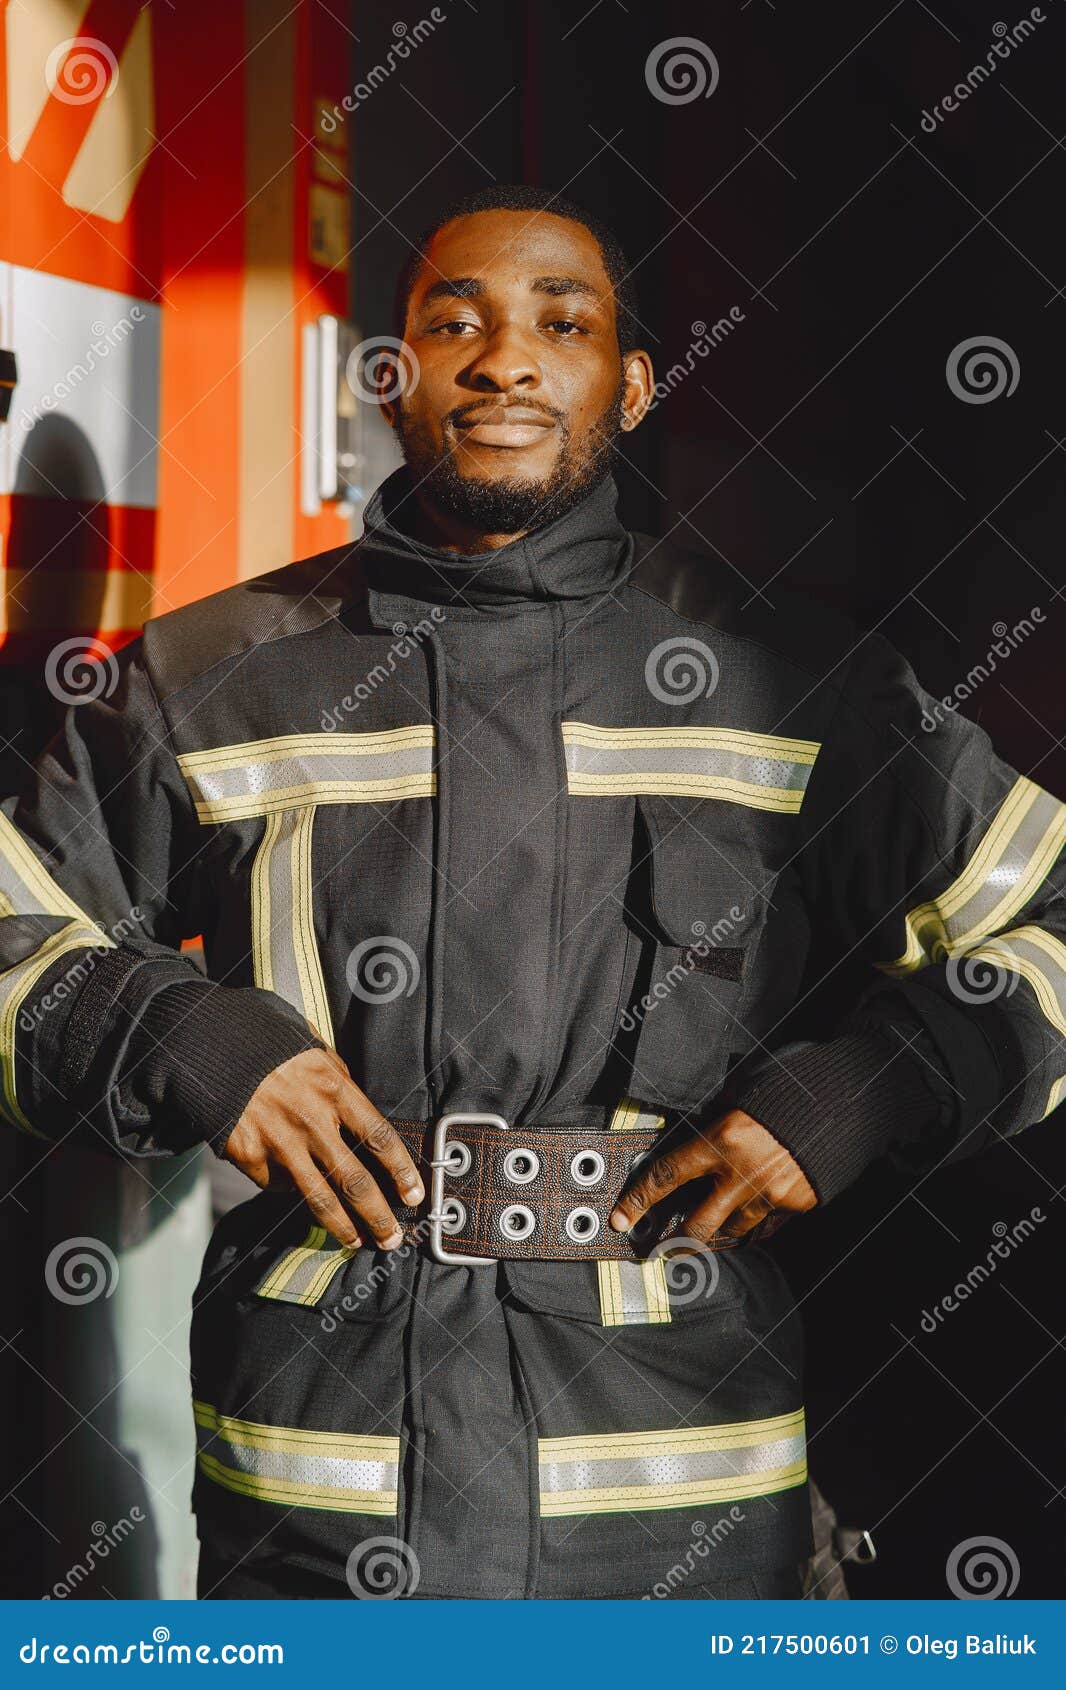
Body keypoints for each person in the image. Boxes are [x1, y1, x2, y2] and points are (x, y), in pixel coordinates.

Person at [2, 184, 1062, 1601]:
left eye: (559, 323)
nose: (504, 359)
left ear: (626, 385)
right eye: (456, 322)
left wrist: (881, 1081)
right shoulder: (202, 678)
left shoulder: (798, 683)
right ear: (394, 373)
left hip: (682, 1507)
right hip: (321, 1499)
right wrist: (174, 1032)